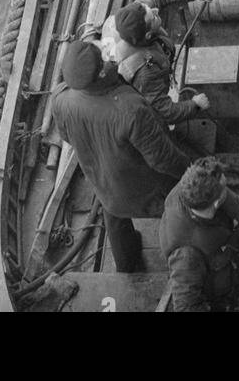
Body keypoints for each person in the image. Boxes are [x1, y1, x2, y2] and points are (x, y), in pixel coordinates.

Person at [50, 38, 189, 273]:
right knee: (181, 210)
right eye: (102, 54)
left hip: (104, 186)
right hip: (145, 191)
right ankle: (186, 256)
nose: (107, 51)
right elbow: (162, 158)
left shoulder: (60, 99)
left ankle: (127, 265)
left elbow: (67, 137)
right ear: (102, 73)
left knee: (115, 217)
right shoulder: (130, 109)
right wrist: (189, 170)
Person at [160, 159, 239, 312]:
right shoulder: (186, 255)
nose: (229, 191)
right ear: (215, 204)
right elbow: (187, 307)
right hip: (219, 299)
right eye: (225, 188)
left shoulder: (204, 186)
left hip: (238, 275)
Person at [111, 0, 214, 127]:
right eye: (153, 17)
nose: (156, 10)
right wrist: (194, 104)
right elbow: (166, 112)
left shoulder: (136, 16)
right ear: (148, 35)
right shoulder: (145, 73)